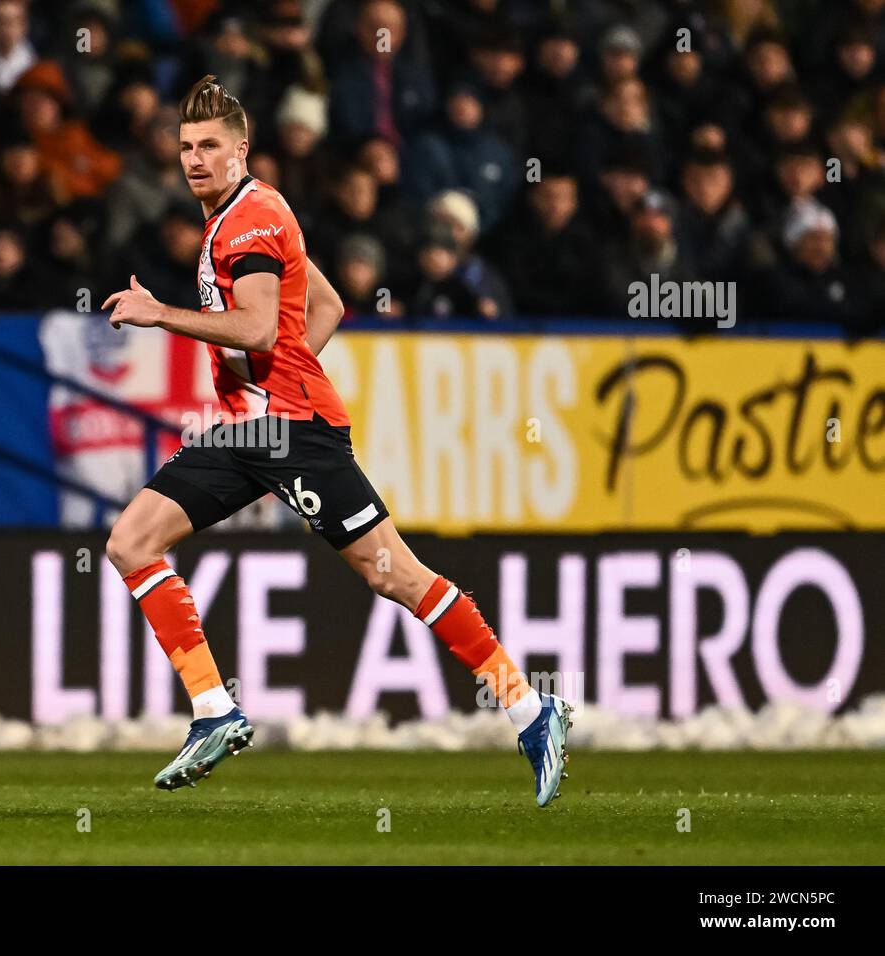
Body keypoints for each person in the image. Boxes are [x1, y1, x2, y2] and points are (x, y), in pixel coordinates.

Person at [99, 76, 572, 805]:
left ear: (241, 149)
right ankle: (213, 710)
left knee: (395, 576)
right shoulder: (241, 213)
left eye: (210, 146)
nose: (195, 158)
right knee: (131, 541)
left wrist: (164, 314)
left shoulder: (251, 218)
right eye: (187, 146)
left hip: (292, 435)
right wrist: (280, 373)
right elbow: (326, 302)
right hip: (247, 430)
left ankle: (529, 707)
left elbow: (258, 326)